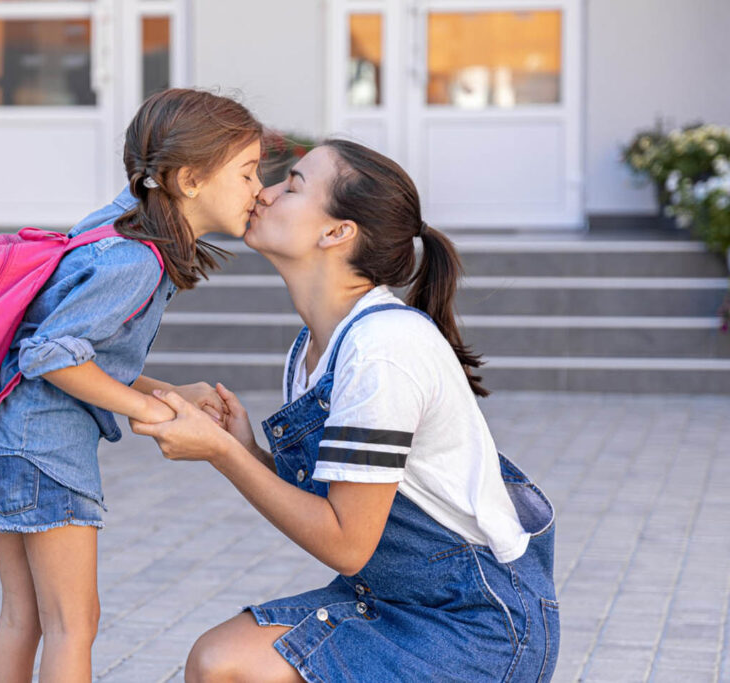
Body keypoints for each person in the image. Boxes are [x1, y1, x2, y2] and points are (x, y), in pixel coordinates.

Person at [133, 139, 559, 682]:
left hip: (472, 625)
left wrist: (221, 453)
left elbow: (347, 543)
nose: (263, 193)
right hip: (390, 599)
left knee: (230, 666)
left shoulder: (383, 348)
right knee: (218, 661)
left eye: (293, 185)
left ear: (337, 233)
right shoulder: (317, 346)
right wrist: (245, 449)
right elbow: (337, 507)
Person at [0, 88, 263, 682]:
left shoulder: (120, 225)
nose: (258, 190)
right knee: (74, 623)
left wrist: (170, 391)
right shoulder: (136, 260)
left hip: (4, 438)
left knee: (24, 616)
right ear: (190, 180)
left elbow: (75, 347)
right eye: (247, 173)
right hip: (44, 451)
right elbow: (51, 355)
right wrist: (151, 410)